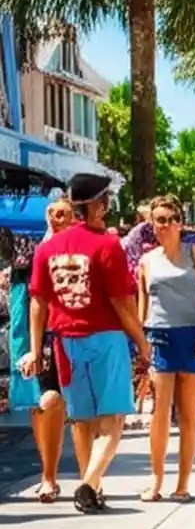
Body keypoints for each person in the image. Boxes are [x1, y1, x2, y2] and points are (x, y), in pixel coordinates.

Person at [20, 173, 151, 513]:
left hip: (66, 342)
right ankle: (89, 484)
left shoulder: (46, 249)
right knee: (113, 420)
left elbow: (38, 302)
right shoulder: (107, 244)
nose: (108, 205)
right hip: (106, 337)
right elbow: (122, 301)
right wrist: (141, 339)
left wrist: (35, 348)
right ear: (95, 204)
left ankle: (92, 487)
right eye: (105, 199)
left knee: (82, 418)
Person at [136, 196, 195, 502]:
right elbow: (141, 311)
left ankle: (183, 483)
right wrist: (140, 345)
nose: (167, 225)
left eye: (173, 219)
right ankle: (155, 480)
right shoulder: (146, 262)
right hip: (160, 337)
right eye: (160, 219)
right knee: (159, 411)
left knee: (188, 413)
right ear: (152, 223)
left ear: (181, 223)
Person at [19, 199, 90, 503]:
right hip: (47, 338)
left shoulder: (84, 249)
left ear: (74, 218)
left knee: (80, 411)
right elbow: (32, 301)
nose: (56, 218)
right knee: (47, 403)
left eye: (62, 213)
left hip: (82, 335)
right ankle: (49, 476)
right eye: (51, 213)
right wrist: (31, 348)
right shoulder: (38, 251)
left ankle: (90, 480)